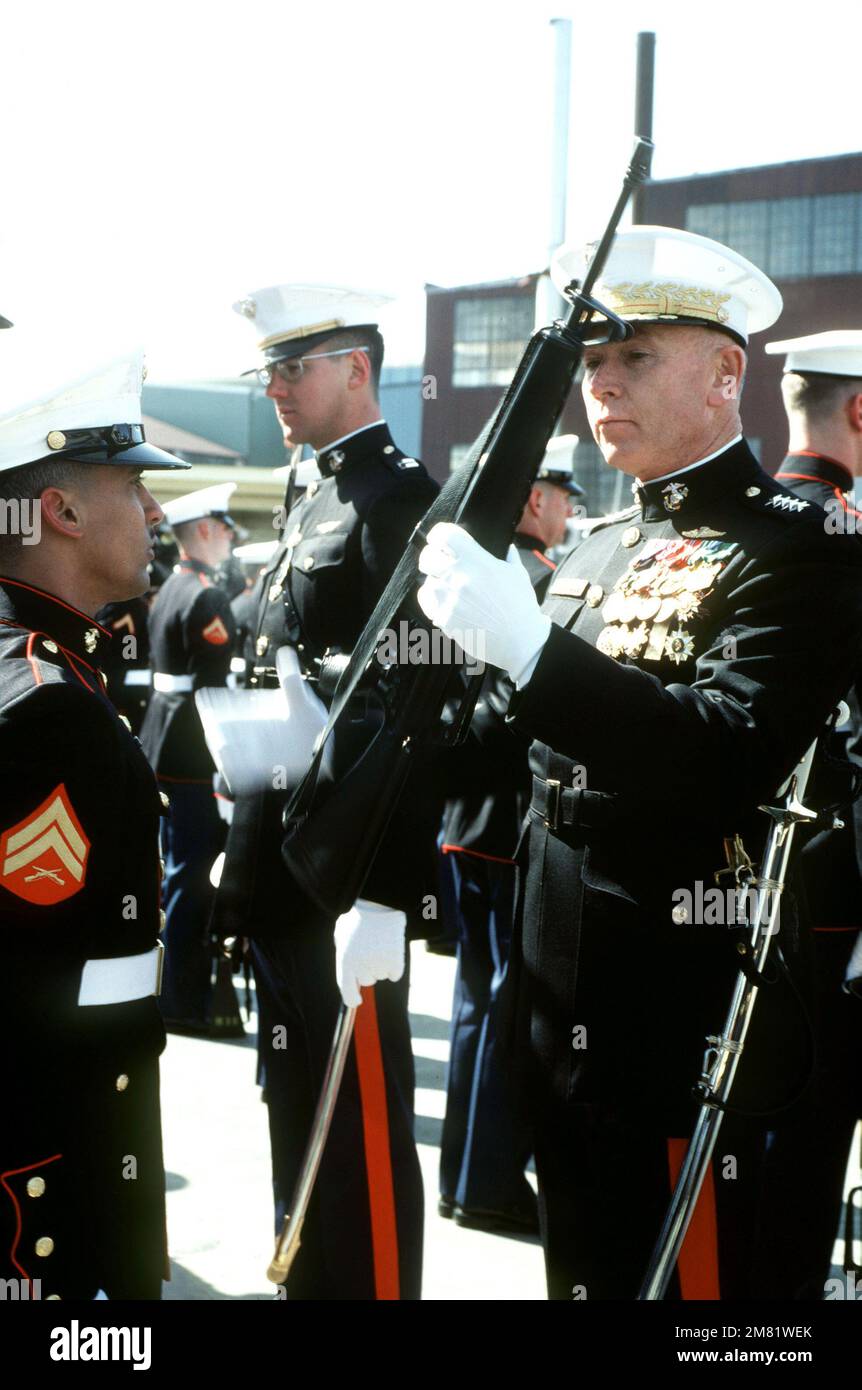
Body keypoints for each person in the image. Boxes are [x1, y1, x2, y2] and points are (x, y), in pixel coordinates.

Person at [417, 225, 862, 1300]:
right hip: (558, 1001)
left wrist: (529, 649)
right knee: (585, 1269)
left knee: (700, 1292)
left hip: (692, 1012)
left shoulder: (797, 546)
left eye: (635, 357)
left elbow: (722, 750)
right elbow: (503, 743)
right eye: (591, 362)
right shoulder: (594, 544)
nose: (601, 385)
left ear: (724, 372)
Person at [215, 283, 439, 1299]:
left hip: (346, 876)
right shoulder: (313, 494)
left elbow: (424, 708)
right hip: (282, 858)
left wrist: (388, 889)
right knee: (297, 1108)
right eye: (268, 371)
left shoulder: (400, 501)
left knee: (358, 1131)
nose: (274, 389)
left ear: (358, 369)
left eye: (292, 367)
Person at [0, 348, 190, 1299]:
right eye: (133, 486)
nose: (156, 512)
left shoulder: (46, 672)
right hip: (50, 1169)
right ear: (61, 512)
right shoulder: (49, 705)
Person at [438, 439, 583, 1235]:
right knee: (503, 1007)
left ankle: (464, 1174)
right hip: (505, 818)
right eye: (559, 495)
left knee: (474, 1002)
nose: (567, 510)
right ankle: (488, 1180)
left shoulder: (485, 574)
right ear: (533, 502)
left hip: (466, 821)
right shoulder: (539, 581)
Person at [745, 330, 862, 1297]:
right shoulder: (849, 536)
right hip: (834, 904)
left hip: (725, 894)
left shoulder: (733, 529)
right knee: (809, 1144)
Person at [139, 483, 238, 1034]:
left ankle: (173, 986)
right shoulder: (207, 596)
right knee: (191, 875)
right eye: (223, 528)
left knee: (176, 870)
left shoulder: (173, 587)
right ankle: (181, 993)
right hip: (192, 750)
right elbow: (214, 689)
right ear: (203, 530)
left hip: (163, 738)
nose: (227, 538)